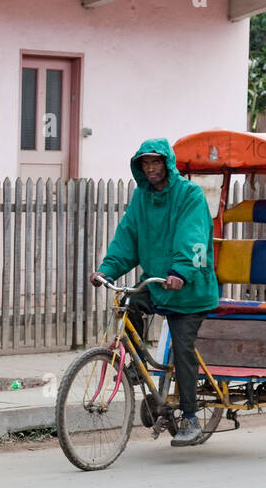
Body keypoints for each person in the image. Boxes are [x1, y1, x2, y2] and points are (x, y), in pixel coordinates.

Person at [89, 138, 217, 446]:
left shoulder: (190, 195)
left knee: (182, 348)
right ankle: (136, 367)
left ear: (168, 164)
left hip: (190, 289)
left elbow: (193, 238)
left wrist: (180, 272)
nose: (151, 169)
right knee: (130, 303)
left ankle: (189, 418)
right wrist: (107, 270)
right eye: (145, 164)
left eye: (156, 163)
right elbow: (127, 237)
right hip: (157, 285)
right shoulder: (141, 198)